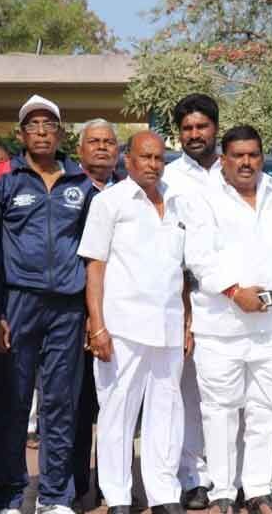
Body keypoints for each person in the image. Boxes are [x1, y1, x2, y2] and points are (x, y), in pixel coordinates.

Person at [0, 95, 96, 514]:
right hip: (18, 302)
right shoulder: (4, 180)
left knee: (60, 402)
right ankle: (11, 493)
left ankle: (54, 496)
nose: (43, 132)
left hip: (67, 306)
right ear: (21, 135)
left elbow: (93, 252)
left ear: (61, 133)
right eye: (33, 126)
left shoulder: (81, 182)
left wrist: (90, 313)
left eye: (50, 125)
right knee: (12, 400)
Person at [181, 125, 272, 514]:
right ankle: (223, 492)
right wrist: (233, 291)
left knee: (265, 408)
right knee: (220, 410)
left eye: (253, 155)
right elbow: (197, 256)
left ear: (263, 157)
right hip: (220, 325)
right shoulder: (202, 198)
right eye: (238, 155)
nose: (246, 162)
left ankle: (258, 488)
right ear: (224, 159)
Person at [79, 131, 189, 514]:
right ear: (128, 160)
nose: (153, 165)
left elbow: (182, 272)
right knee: (116, 413)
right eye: (145, 157)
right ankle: (119, 495)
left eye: (159, 158)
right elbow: (95, 269)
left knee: (167, 412)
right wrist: (98, 327)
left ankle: (163, 492)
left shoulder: (176, 203)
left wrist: (187, 322)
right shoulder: (110, 202)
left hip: (169, 327)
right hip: (122, 327)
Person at [164, 93, 222, 510]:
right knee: (188, 392)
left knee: (227, 392)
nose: (195, 134)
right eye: (187, 128)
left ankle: (231, 476)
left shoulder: (238, 169)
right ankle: (193, 478)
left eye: (201, 127)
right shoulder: (168, 179)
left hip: (237, 300)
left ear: (215, 128)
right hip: (188, 297)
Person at [74, 118, 123, 512]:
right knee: (77, 403)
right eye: (95, 142)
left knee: (114, 404)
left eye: (109, 142)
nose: (103, 148)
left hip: (119, 315)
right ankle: (76, 484)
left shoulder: (130, 193)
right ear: (80, 150)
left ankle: (112, 483)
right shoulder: (68, 191)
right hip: (73, 312)